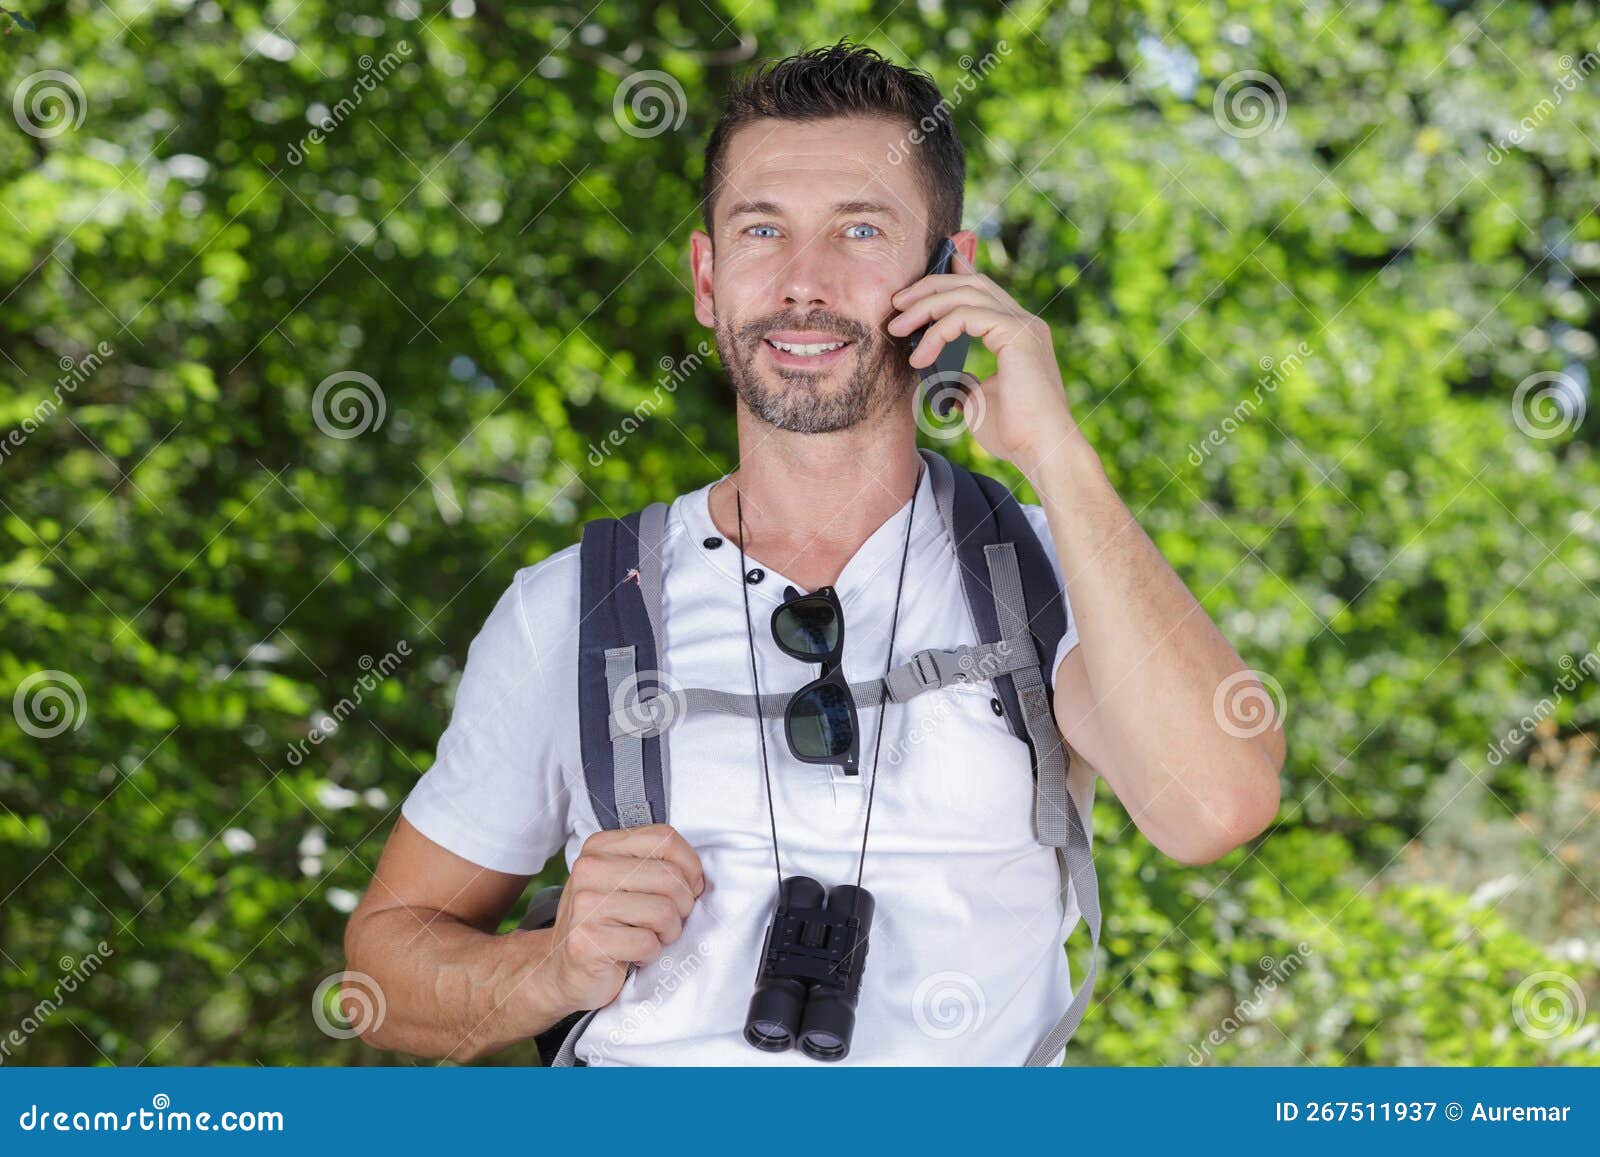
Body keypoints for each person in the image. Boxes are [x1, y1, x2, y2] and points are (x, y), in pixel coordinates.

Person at [341, 40, 1284, 1066]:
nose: (803, 281)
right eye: (761, 230)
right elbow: (381, 980)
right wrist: (554, 965)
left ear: (947, 274)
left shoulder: (1046, 571)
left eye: (861, 229)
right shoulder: (573, 607)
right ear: (708, 277)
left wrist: (1056, 452)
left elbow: (1216, 807)